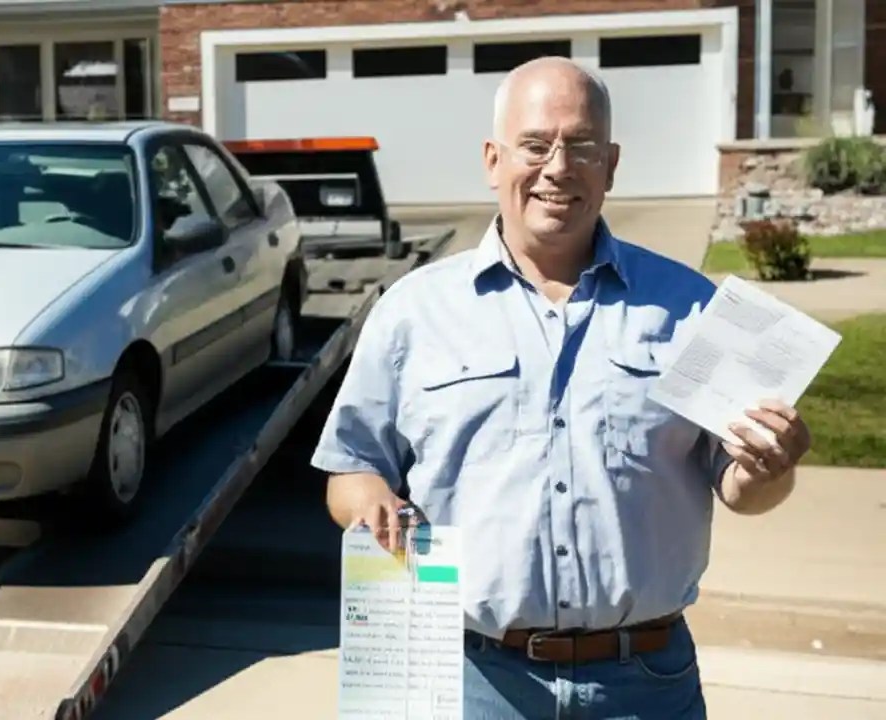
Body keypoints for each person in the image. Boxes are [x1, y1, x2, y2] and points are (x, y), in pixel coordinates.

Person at [311, 56, 812, 719]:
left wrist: (771, 466)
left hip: (646, 686)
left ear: (611, 162)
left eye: (580, 146)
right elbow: (350, 467)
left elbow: (743, 487)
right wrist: (369, 501)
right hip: (470, 683)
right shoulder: (413, 311)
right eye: (536, 144)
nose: (558, 167)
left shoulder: (693, 308)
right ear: (493, 160)